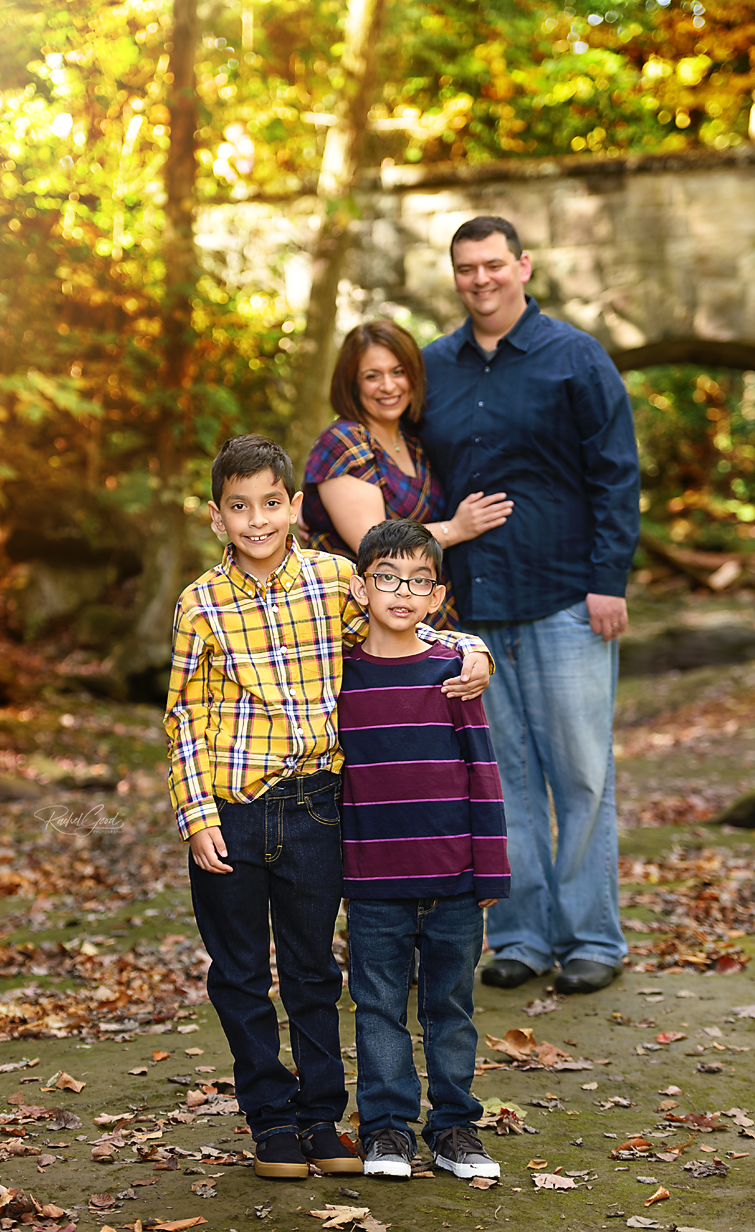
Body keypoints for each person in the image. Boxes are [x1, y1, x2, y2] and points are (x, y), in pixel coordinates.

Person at [163, 434, 494, 1180]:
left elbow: (398, 627)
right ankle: (271, 1120)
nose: (258, 521)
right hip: (232, 806)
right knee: (241, 971)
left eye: (271, 504)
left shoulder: (333, 579)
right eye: (240, 508)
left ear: (295, 506)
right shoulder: (199, 605)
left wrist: (472, 648)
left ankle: (320, 1117)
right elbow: (183, 715)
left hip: (317, 807)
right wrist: (196, 815)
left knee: (313, 970)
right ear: (217, 518)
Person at [419, 216, 640, 996]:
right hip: (473, 608)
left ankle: (591, 938)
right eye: (465, 269)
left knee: (580, 775)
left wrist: (608, 580)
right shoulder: (432, 367)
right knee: (501, 778)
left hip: (563, 600)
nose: (480, 280)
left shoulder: (575, 357)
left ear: (524, 266)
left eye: (493, 265)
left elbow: (616, 472)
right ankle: (518, 935)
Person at [339, 518, 510, 1181]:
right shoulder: (342, 677)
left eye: (418, 580)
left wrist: (490, 868)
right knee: (379, 1008)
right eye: (387, 577)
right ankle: (385, 1130)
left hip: (455, 881)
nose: (402, 591)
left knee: (451, 1008)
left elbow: (482, 772)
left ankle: (455, 1128)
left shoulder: (453, 674)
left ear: (437, 596)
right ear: (361, 588)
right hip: (375, 881)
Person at [303, 319, 513, 630]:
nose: (388, 386)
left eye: (398, 372)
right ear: (352, 383)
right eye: (372, 376)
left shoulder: (413, 439)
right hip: (363, 629)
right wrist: (455, 529)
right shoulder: (345, 441)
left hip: (426, 623)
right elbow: (372, 546)